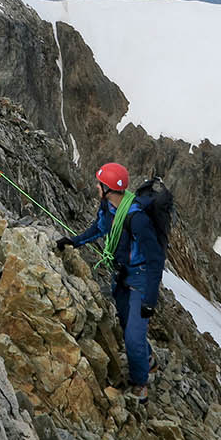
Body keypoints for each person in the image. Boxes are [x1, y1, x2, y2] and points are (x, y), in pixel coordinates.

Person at [55, 162, 164, 401]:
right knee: (127, 325)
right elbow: (99, 228)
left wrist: (150, 299)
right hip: (123, 275)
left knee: (133, 337)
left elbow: (156, 260)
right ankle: (148, 360)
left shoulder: (137, 219)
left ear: (108, 189)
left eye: (100, 184)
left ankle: (140, 386)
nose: (97, 186)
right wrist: (75, 241)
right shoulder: (108, 207)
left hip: (141, 279)